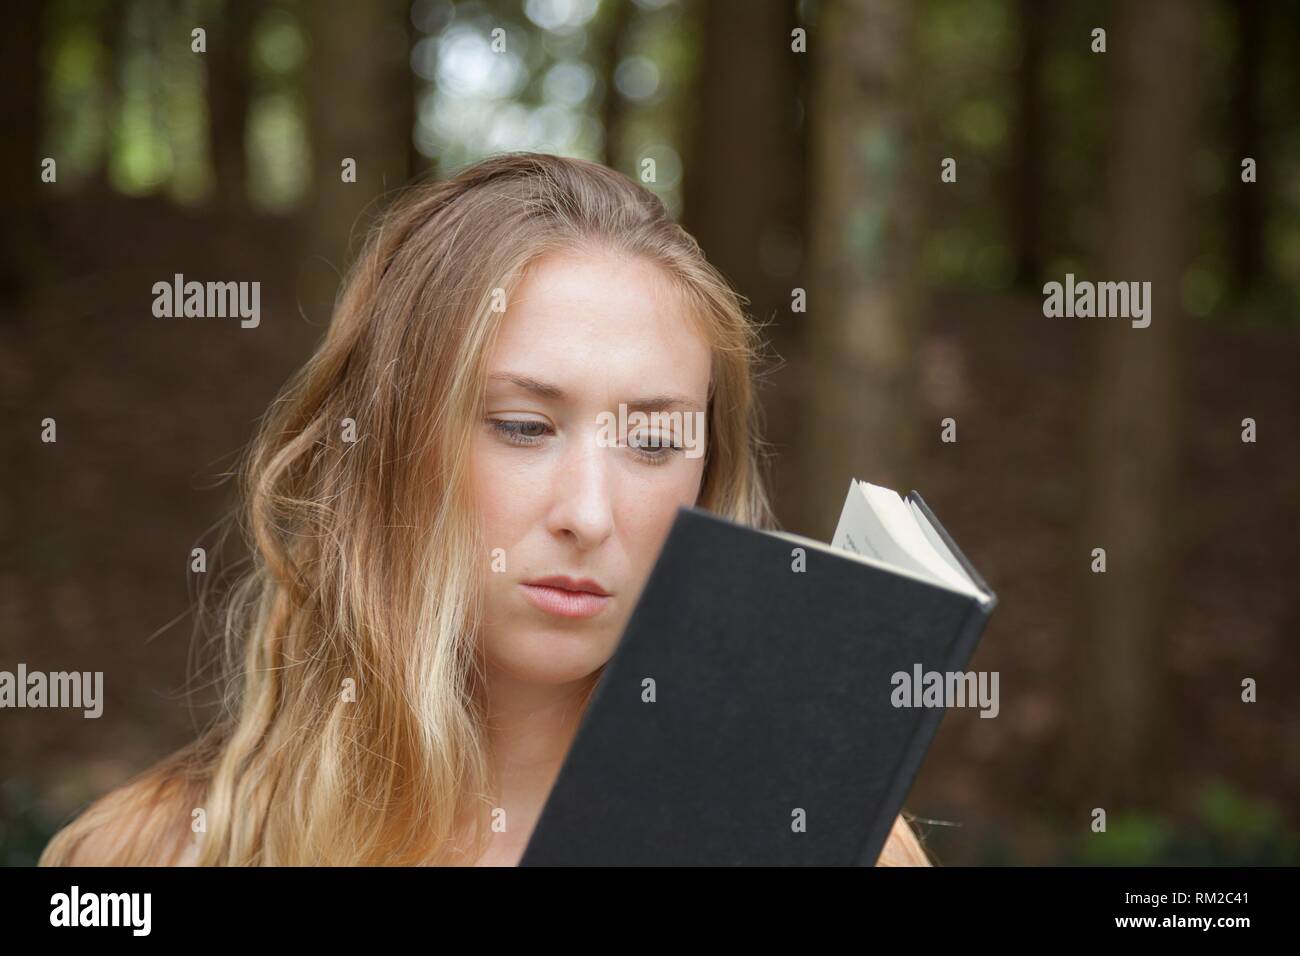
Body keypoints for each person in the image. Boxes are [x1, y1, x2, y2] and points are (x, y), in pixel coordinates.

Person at [39, 152, 933, 867]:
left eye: (654, 443)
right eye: (522, 425)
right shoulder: (150, 857)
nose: (589, 513)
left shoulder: (829, 843)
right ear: (387, 445)